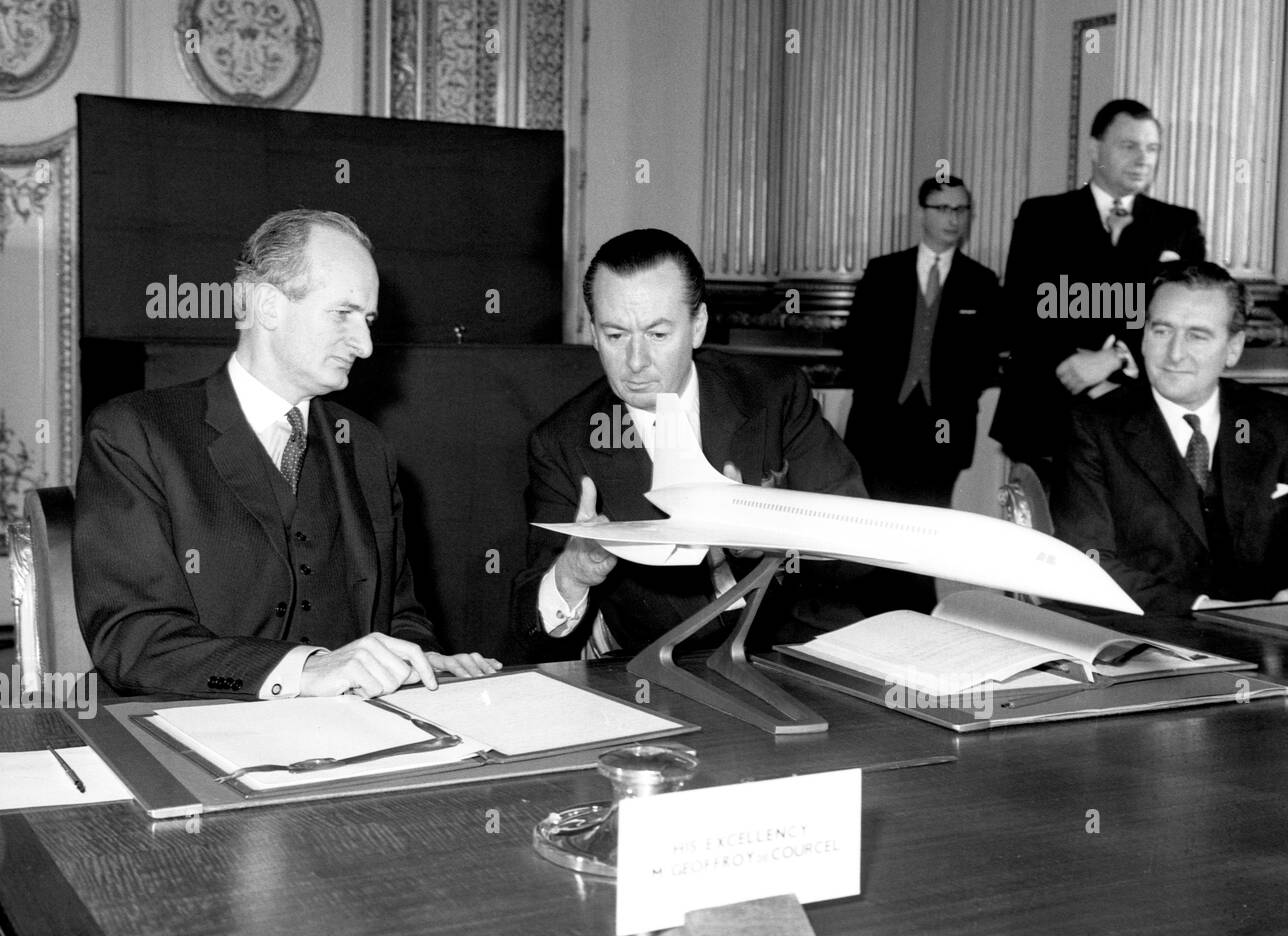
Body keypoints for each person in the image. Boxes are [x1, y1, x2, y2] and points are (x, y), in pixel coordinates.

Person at [74, 209, 500, 698]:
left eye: (368, 320)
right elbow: (133, 640)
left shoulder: (364, 446)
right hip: (186, 730)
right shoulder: (136, 433)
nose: (364, 345)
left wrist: (415, 662)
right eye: (343, 313)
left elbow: (398, 614)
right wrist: (303, 670)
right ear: (268, 306)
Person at [511, 228, 868, 661]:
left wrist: (778, 533)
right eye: (616, 335)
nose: (636, 362)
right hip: (660, 672)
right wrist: (572, 574)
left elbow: (858, 548)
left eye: (658, 335)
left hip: (789, 650)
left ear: (697, 326)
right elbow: (531, 634)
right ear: (592, 331)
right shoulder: (561, 443)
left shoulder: (775, 394)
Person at [1052, 262, 1288, 615]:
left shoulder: (1278, 421)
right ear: (1144, 337)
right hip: (1145, 640)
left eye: (1197, 335)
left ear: (1234, 347)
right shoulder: (1093, 427)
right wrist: (1205, 608)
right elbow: (1089, 562)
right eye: (1162, 331)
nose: (1175, 354)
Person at [992, 99, 1205, 478]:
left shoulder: (1177, 224)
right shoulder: (1042, 217)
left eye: (1152, 148)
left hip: (1138, 414)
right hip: (1046, 408)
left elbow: (1188, 312)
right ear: (1095, 149)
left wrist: (1117, 358)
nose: (1143, 158)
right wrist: (1075, 365)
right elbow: (1021, 308)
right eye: (1129, 146)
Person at [840, 175, 1001, 611]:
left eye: (962, 210)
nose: (954, 219)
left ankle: (913, 618)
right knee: (879, 523)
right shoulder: (883, 272)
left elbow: (987, 361)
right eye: (944, 209)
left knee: (926, 527)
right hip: (880, 424)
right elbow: (855, 347)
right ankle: (872, 617)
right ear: (922, 212)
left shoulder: (981, 282)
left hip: (943, 429)